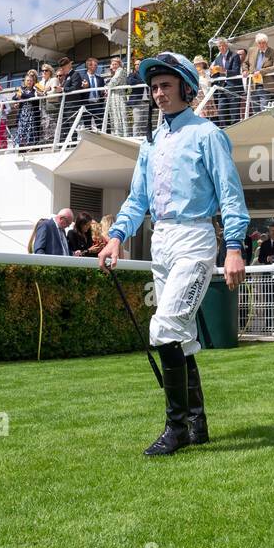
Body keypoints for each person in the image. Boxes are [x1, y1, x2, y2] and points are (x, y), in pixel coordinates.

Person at [98, 51, 249, 457]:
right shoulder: (150, 142)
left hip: (197, 239)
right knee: (179, 335)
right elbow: (137, 198)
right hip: (161, 241)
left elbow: (230, 194)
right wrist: (115, 236)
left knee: (163, 327)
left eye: (165, 85)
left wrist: (234, 246)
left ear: (185, 87)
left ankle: (176, 428)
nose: (157, 93)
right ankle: (197, 423)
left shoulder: (208, 134)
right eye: (153, 87)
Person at [211, 39, 243, 127]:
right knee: (221, 111)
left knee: (234, 113)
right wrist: (212, 72)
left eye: (222, 45)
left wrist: (224, 71)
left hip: (233, 87)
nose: (221, 48)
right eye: (219, 46)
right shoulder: (218, 58)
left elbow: (236, 71)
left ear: (227, 45)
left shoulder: (234, 55)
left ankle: (236, 132)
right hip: (221, 87)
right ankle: (226, 131)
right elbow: (216, 75)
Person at [247, 33, 274, 115]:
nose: (261, 45)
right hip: (253, 85)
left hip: (265, 85)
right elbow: (245, 63)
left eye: (263, 42)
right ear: (257, 43)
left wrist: (262, 71)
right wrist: (245, 70)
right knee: (255, 110)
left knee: (264, 109)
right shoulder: (251, 50)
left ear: (267, 42)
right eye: (259, 43)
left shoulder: (273, 52)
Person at [13, 70, 43, 147]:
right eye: (27, 80)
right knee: (22, 131)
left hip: (32, 114)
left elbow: (33, 96)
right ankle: (21, 147)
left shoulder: (37, 87)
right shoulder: (22, 89)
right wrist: (17, 100)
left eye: (32, 77)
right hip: (23, 114)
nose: (29, 81)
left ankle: (32, 147)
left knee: (32, 132)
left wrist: (22, 96)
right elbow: (15, 97)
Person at [104, 56, 130, 135]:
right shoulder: (116, 72)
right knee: (116, 116)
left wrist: (106, 87)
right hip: (115, 96)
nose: (113, 66)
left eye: (115, 64)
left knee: (120, 115)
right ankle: (118, 134)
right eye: (112, 64)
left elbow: (113, 82)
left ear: (119, 64)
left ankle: (122, 135)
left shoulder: (120, 70)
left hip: (119, 96)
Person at [81, 56, 107, 130]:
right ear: (88, 66)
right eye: (94, 65)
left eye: (96, 65)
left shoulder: (100, 79)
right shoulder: (82, 77)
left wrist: (103, 93)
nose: (96, 67)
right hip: (87, 105)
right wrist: (83, 87)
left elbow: (102, 92)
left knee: (100, 126)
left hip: (98, 105)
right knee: (87, 127)